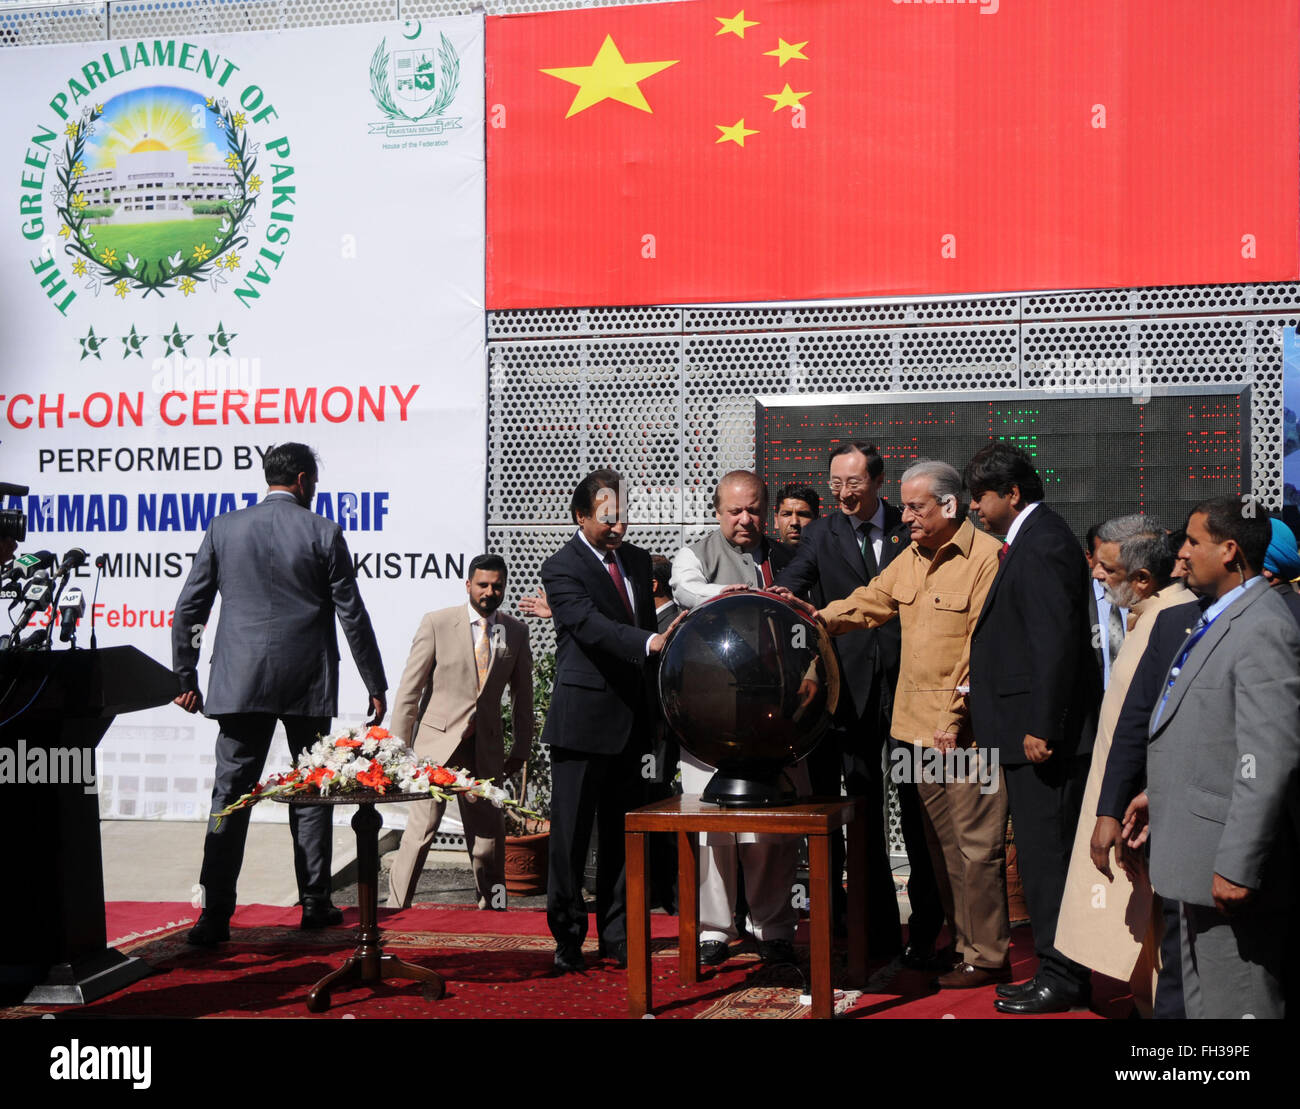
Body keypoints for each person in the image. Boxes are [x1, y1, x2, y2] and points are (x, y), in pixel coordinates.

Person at [779, 459, 1008, 987]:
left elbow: (982, 650)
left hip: (963, 732)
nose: (903, 516)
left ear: (949, 507)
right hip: (911, 728)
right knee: (938, 848)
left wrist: (955, 717)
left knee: (976, 849)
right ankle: (961, 947)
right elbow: (871, 602)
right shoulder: (913, 556)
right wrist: (815, 617)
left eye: (915, 507)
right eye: (903, 505)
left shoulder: (989, 560)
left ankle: (988, 955)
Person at [172, 442, 388, 945]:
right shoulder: (324, 532)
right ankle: (315, 904)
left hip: (239, 684)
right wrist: (374, 682)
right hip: (305, 684)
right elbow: (351, 614)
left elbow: (190, 608)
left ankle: (214, 917)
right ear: (303, 480)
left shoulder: (224, 528)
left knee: (230, 796)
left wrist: (185, 676)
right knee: (311, 792)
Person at [1106, 498, 1300, 1018]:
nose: (1181, 554)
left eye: (1193, 542)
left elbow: (1269, 758)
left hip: (1224, 871)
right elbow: (1208, 736)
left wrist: (1237, 865)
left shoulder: (1263, 628)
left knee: (1238, 1007)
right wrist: (1159, 795)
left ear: (1230, 550)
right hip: (1193, 862)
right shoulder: (1218, 618)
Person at [778, 443, 943, 967]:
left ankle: (926, 931)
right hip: (845, 694)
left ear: (877, 481)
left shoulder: (909, 526)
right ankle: (860, 929)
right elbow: (795, 583)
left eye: (853, 484)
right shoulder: (821, 533)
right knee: (858, 806)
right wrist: (772, 598)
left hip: (910, 688)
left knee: (920, 812)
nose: (842, 493)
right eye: (835, 483)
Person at [964, 442, 1100, 1014]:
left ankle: (1063, 974)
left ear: (1012, 493)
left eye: (980, 496)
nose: (972, 507)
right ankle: (1054, 965)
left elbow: (1055, 643)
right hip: (1024, 732)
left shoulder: (1042, 544)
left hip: (1041, 740)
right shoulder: (1030, 541)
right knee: (1043, 856)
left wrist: (1042, 725)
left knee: (1049, 860)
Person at [1055, 516, 1189, 1016]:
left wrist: (1122, 807)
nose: (1094, 574)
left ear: (1142, 579)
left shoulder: (1174, 620)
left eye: (1105, 568)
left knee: (1152, 925)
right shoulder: (1148, 611)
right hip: (1124, 796)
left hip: (1145, 805)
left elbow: (1147, 726)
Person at [542, 468, 672, 973]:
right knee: (570, 837)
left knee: (624, 835)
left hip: (633, 721)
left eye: (621, 516)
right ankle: (568, 936)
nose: (617, 527)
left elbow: (648, 623)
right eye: (605, 517)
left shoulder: (638, 562)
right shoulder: (562, 568)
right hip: (582, 720)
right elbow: (589, 626)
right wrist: (645, 642)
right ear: (581, 515)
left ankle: (616, 935)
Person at [670, 471, 800, 967]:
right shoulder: (694, 554)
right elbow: (686, 591)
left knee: (771, 830)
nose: (745, 519)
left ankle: (774, 928)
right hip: (712, 712)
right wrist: (742, 596)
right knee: (712, 828)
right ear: (718, 511)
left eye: (754, 509)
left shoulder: (787, 556)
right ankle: (714, 930)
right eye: (734, 511)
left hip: (779, 716)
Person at [385, 554, 532, 911]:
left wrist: (521, 749)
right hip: (434, 750)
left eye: (497, 586)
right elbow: (410, 689)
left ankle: (494, 911)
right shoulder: (437, 623)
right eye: (482, 585)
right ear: (468, 585)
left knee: (487, 843)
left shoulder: (516, 631)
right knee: (420, 834)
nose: (489, 592)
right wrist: (397, 749)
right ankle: (393, 911)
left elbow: (523, 696)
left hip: (485, 752)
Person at [1086, 523, 1128, 690]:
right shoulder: (1076, 602)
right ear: (1089, 557)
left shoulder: (1143, 600)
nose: (1113, 563)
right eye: (1104, 556)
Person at [773, 484, 820, 548]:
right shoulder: (763, 556)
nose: (794, 522)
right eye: (787, 514)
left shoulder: (832, 557)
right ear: (776, 520)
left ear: (817, 521)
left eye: (802, 515)